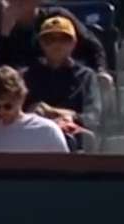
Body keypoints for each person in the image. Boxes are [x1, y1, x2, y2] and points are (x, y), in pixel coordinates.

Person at [22, 15, 99, 146]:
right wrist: (30, 111)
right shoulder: (27, 75)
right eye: (49, 39)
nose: (56, 44)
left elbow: (93, 117)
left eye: (64, 39)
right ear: (41, 43)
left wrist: (57, 113)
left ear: (74, 43)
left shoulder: (86, 76)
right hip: (34, 139)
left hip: (74, 141)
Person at [0, 64, 67, 152]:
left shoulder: (46, 130)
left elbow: (64, 166)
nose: (1, 111)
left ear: (21, 98)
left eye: (8, 106)